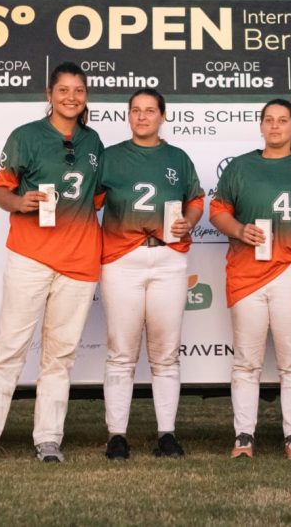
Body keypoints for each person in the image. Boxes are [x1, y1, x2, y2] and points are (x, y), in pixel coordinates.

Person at [0, 62, 103, 463]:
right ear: (49, 94)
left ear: (86, 96)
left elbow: (95, 200)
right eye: (64, 90)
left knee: (59, 356)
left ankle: (48, 438)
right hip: (31, 256)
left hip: (78, 261)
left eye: (79, 90)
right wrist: (20, 202)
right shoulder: (25, 136)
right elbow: (0, 192)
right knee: (9, 348)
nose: (71, 97)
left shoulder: (94, 142)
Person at [97, 88, 205, 460]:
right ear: (128, 116)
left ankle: (167, 434)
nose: (142, 117)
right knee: (121, 352)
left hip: (167, 258)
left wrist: (189, 222)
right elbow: (86, 201)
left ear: (163, 116)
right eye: (135, 111)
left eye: (149, 111)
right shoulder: (108, 157)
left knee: (165, 352)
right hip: (122, 258)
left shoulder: (177, 157)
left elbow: (195, 199)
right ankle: (116, 436)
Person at [209, 98, 291, 460]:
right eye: (269, 120)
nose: (275, 126)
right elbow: (218, 211)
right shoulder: (241, 166)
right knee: (246, 360)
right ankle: (244, 437)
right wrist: (240, 230)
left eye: (283, 120)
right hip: (247, 274)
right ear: (260, 125)